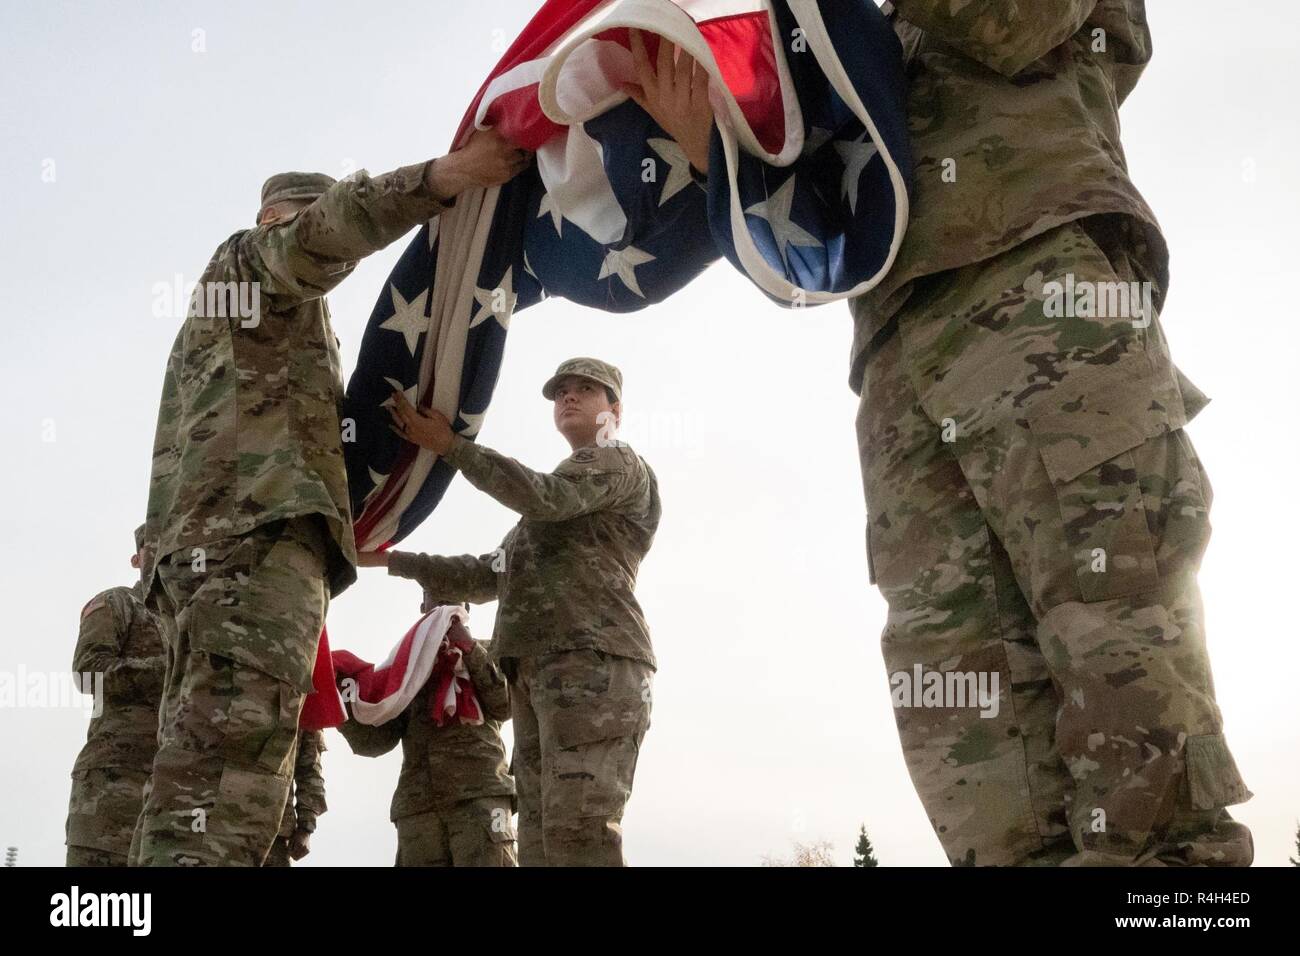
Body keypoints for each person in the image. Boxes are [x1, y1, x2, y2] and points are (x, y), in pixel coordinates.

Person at [631, 8, 1253, 865]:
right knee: (968, 720)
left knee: (1120, 657)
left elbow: (1016, 25)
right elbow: (825, 226)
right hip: (896, 354)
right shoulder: (852, 35)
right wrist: (717, 149)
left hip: (1041, 286)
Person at [133, 130, 532, 866]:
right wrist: (442, 178)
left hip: (225, 561)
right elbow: (323, 235)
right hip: (250, 557)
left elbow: (176, 462)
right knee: (229, 793)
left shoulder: (241, 328)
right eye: (303, 223)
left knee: (203, 784)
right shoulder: (243, 266)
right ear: (272, 222)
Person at [364, 357, 658, 866]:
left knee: (578, 835)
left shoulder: (615, 461)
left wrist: (450, 447)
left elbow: (544, 495)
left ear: (614, 410)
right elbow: (490, 573)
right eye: (561, 390)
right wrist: (391, 560)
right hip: (538, 670)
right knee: (542, 842)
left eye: (586, 389)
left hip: (591, 665)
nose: (568, 396)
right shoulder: (549, 512)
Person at [336, 591, 515, 867]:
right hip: (419, 807)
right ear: (423, 607)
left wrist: (468, 648)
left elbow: (505, 704)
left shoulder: (491, 651)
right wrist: (346, 701)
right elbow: (374, 742)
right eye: (437, 600)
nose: (444, 608)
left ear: (465, 607)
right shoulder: (406, 669)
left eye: (451, 600)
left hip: (481, 796)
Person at [66, 525, 165, 867]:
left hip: (177, 787)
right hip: (115, 783)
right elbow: (88, 670)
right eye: (155, 547)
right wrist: (168, 669)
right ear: (137, 559)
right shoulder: (117, 602)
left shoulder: (192, 620)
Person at [262, 729, 327, 867]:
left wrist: (306, 827)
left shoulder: (305, 708)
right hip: (214, 819)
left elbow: (309, 771)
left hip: (272, 830)